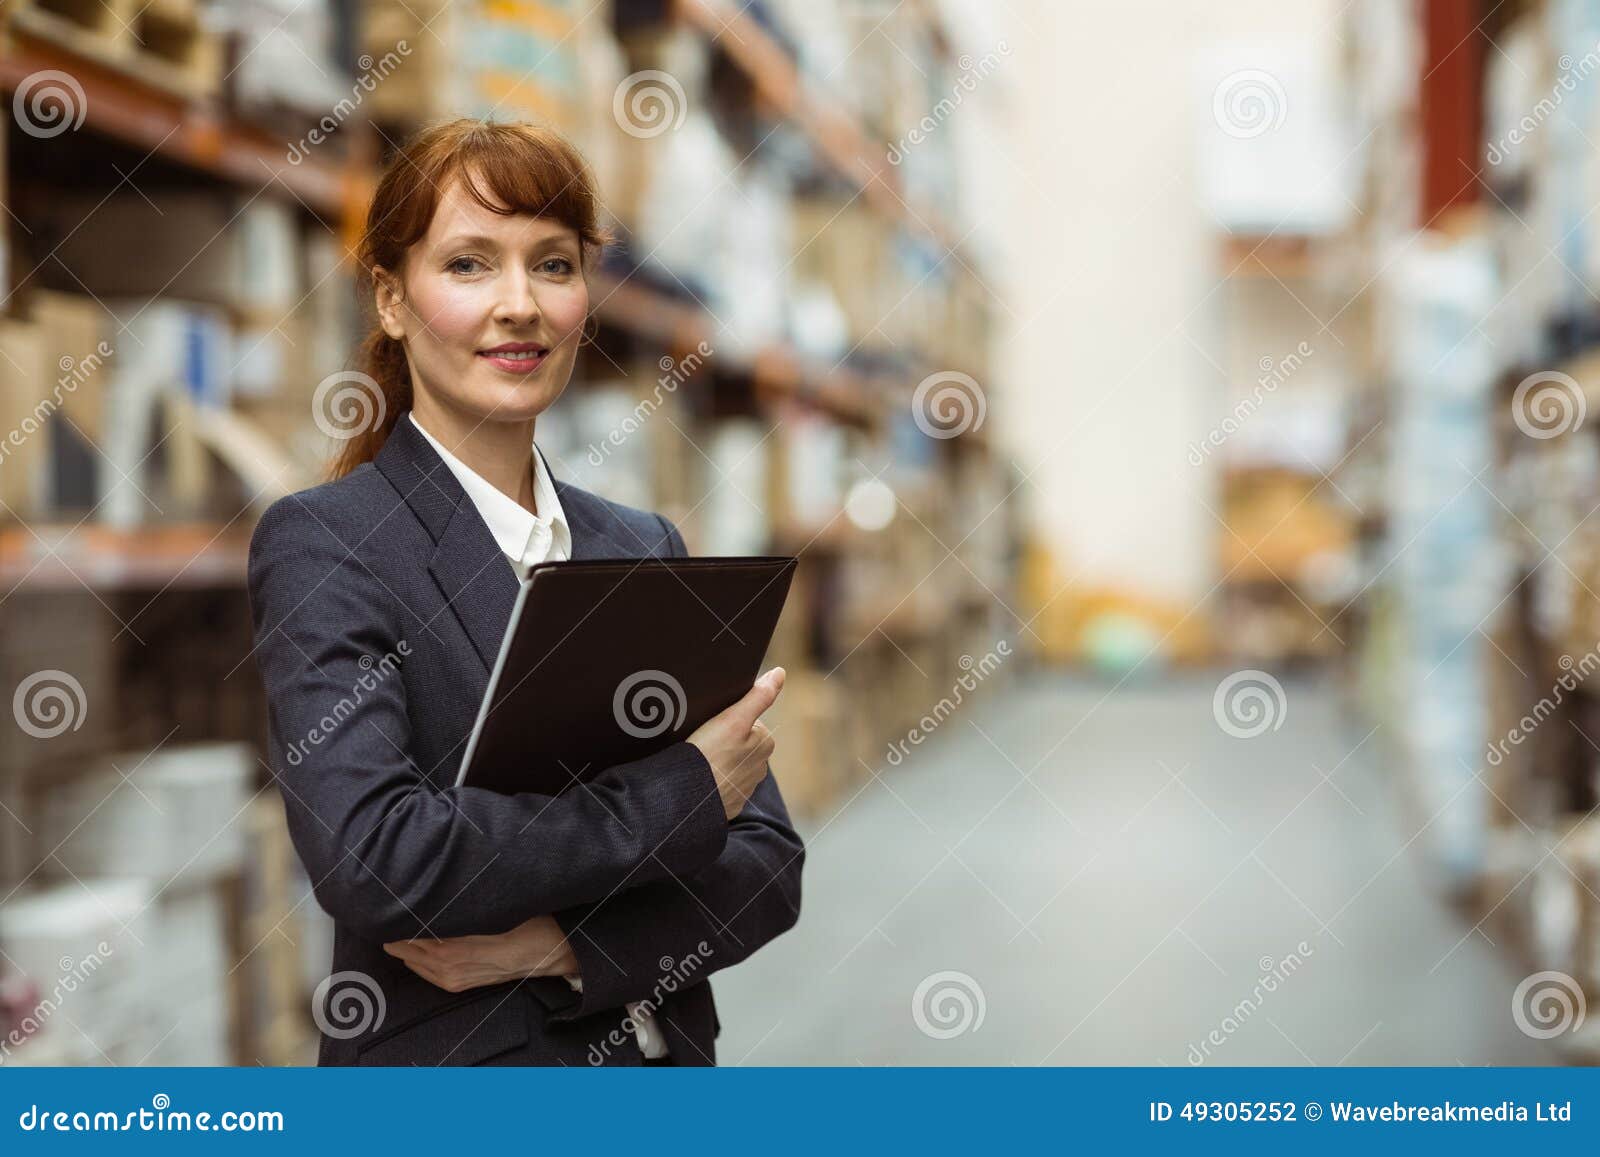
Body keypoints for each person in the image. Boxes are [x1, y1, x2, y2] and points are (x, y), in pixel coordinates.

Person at [246, 119, 804, 1066]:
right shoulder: (331, 544)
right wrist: (679, 795)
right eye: (469, 265)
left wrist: (559, 946)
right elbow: (381, 856)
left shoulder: (640, 545)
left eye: (553, 264)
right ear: (390, 298)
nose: (521, 305)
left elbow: (766, 866)